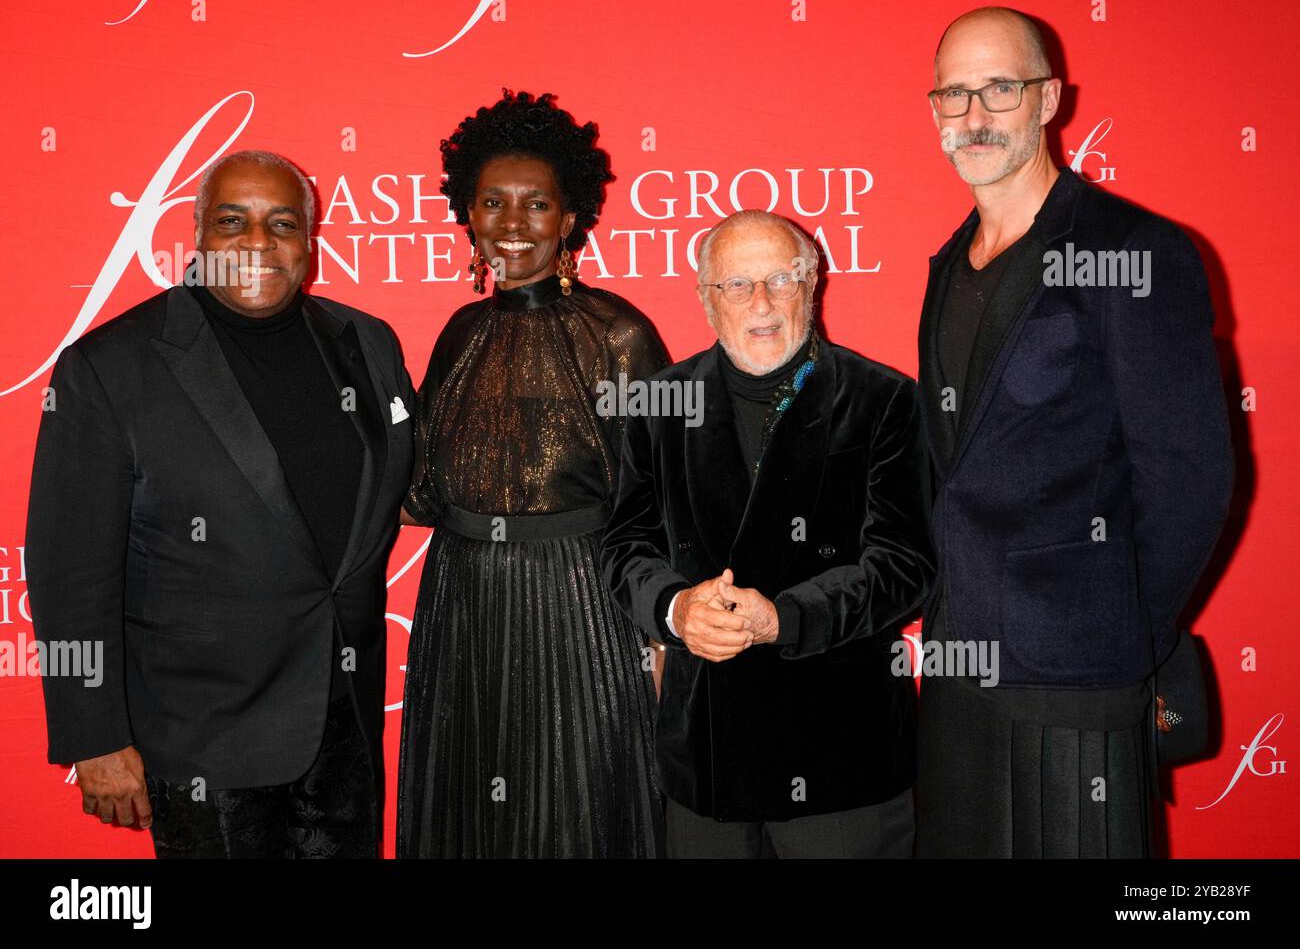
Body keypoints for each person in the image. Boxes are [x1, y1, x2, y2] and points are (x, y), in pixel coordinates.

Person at [26, 149, 416, 857]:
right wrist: (95, 735)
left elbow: (397, 487)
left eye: (282, 223)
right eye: (233, 221)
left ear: (310, 239)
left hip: (344, 724)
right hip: (203, 736)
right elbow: (68, 569)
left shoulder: (366, 342)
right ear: (199, 231)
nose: (258, 244)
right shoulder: (110, 366)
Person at [914, 7, 1234, 857]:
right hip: (956, 672)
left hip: (1077, 680)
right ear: (933, 109)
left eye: (1000, 88)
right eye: (955, 93)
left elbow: (1190, 475)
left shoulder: (1132, 249)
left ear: (1049, 98)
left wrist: (1115, 627)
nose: (975, 114)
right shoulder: (947, 265)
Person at [601, 209, 935, 858]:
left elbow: (906, 563)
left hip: (844, 762)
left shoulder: (884, 401)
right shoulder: (658, 406)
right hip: (707, 769)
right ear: (705, 299)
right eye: (736, 285)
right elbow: (624, 548)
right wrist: (676, 608)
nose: (761, 302)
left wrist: (783, 618)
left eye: (781, 279)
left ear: (812, 286)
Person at [399, 89, 668, 858]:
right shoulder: (458, 333)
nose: (513, 223)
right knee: (468, 818)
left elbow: (660, 502)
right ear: (468, 213)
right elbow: (421, 489)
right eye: (493, 202)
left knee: (575, 812)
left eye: (536, 204)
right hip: (462, 601)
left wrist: (661, 643)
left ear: (570, 217)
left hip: (577, 602)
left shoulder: (619, 334)